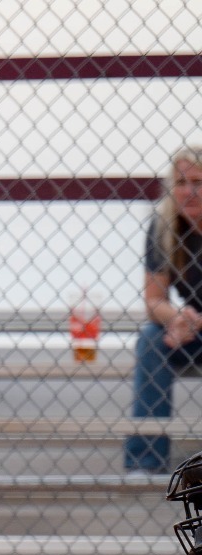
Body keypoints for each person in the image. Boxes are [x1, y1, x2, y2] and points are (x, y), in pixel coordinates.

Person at [123, 145, 202, 474]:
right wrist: (179, 317)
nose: (189, 191)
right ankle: (146, 461)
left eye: (198, 182)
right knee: (151, 339)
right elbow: (154, 300)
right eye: (181, 182)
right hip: (192, 328)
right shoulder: (164, 227)